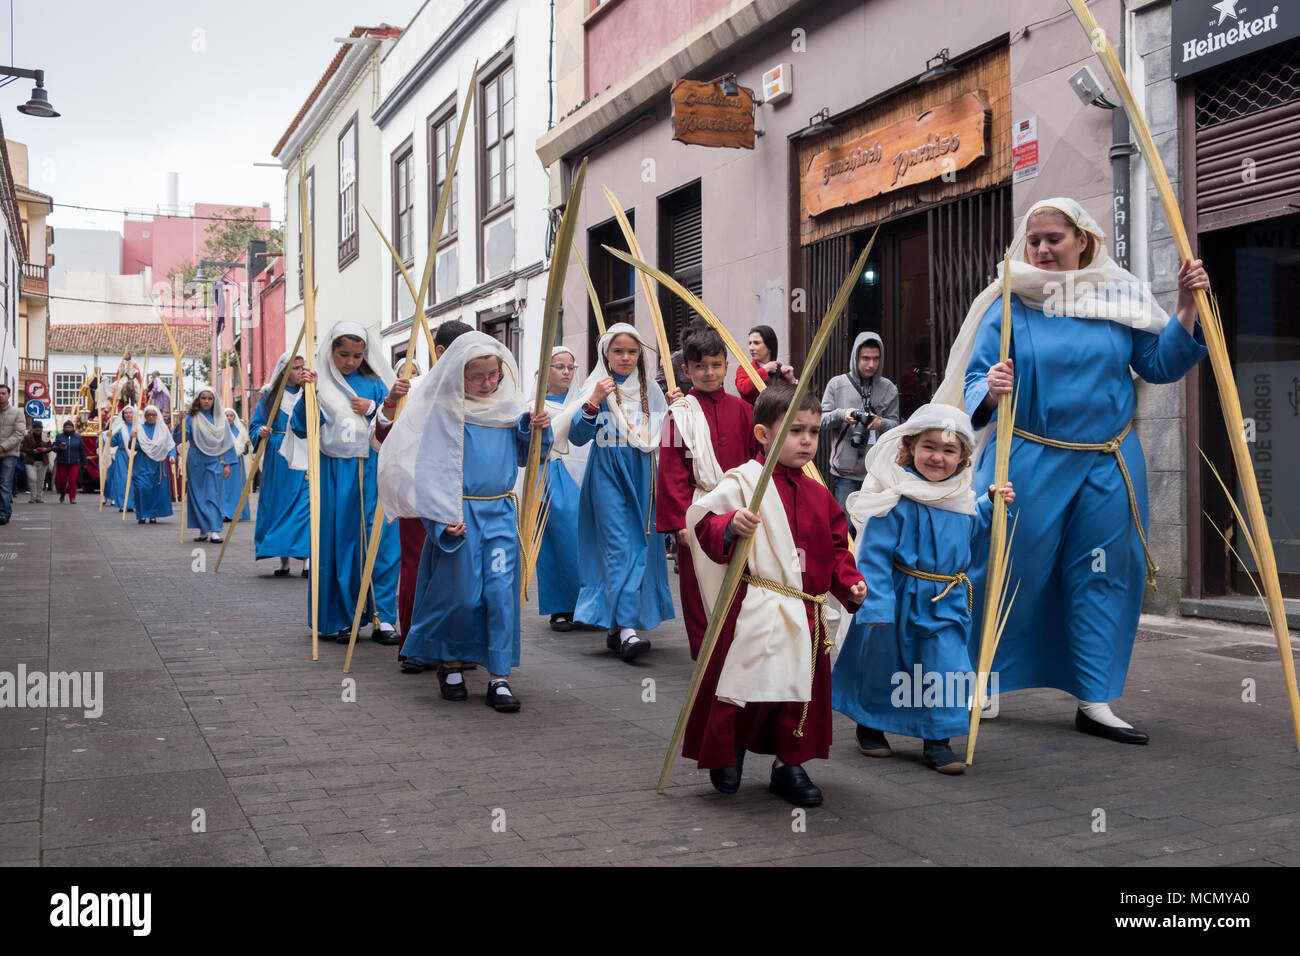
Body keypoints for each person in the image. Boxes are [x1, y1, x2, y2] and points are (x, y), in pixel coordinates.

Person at [935, 197, 1209, 745]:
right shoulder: (1009, 305)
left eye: (1053, 239)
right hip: (1028, 457)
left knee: (1105, 573)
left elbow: (1159, 365)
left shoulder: (1118, 296)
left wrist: (1184, 305)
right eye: (1033, 240)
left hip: (1109, 462)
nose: (1041, 249)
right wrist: (989, 390)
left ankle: (1095, 697)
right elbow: (972, 387)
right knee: (1008, 566)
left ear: (1083, 240)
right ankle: (981, 674)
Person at [683, 385, 866, 806]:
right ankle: (728, 749)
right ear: (764, 434)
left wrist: (850, 582)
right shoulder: (745, 482)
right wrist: (731, 525)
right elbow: (704, 526)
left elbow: (837, 550)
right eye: (796, 430)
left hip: (803, 611)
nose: (807, 441)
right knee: (743, 683)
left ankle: (790, 763)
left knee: (795, 692)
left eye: (815, 432)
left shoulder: (821, 495)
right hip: (757, 605)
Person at [832, 405, 1014, 774]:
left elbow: (971, 530)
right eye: (929, 446)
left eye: (949, 451)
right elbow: (875, 556)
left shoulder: (960, 497)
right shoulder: (895, 498)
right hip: (900, 597)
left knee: (946, 667)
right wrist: (878, 607)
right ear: (910, 447)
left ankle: (938, 739)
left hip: (945, 602)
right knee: (887, 665)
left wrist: (992, 505)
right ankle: (871, 723)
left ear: (963, 458)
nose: (937, 457)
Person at [378, 331, 550, 710]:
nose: (488, 383)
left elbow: (529, 458)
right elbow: (429, 471)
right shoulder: (444, 414)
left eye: (494, 375)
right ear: (459, 376)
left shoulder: (511, 410)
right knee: (459, 596)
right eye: (478, 376)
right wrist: (441, 520)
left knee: (500, 596)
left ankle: (499, 675)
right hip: (460, 517)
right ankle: (451, 664)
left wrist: (536, 429)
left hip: (501, 516)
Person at [567, 323, 675, 662]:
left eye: (632, 351)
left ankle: (616, 627)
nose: (626, 357)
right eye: (618, 351)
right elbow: (577, 437)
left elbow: (667, 439)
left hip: (644, 474)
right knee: (618, 547)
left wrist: (676, 411)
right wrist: (594, 401)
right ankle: (628, 629)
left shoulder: (651, 391)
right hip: (607, 475)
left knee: (641, 544)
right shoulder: (596, 387)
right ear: (605, 354)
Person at [291, 321, 401, 646]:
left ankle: (384, 617)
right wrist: (308, 394)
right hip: (336, 473)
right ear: (331, 351)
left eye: (357, 355)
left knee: (380, 543)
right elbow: (302, 427)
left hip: (374, 471)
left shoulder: (376, 384)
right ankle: (343, 616)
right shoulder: (321, 384)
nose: (350, 361)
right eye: (343, 354)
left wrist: (374, 408)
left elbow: (397, 424)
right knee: (342, 544)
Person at [373, 319, 472, 667]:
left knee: (464, 572)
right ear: (442, 352)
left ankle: (461, 644)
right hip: (420, 494)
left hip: (467, 494)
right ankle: (415, 644)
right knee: (417, 567)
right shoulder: (413, 389)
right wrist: (390, 404)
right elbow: (382, 439)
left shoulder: (480, 389)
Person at [656, 327, 759, 658]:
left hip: (740, 508)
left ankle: (740, 653)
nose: (709, 372)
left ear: (727, 366)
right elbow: (670, 471)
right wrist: (680, 523)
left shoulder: (745, 411)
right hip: (698, 511)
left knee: (745, 580)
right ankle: (706, 659)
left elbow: (758, 460)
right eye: (701, 366)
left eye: (716, 364)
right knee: (698, 586)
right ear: (686, 370)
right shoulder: (678, 416)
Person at [535, 346, 586, 632]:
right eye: (559, 367)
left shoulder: (583, 401)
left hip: (583, 474)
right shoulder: (534, 403)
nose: (566, 372)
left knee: (585, 540)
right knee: (557, 541)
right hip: (553, 473)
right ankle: (560, 607)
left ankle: (587, 603)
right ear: (545, 371)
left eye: (570, 367)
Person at [821, 331, 901, 511]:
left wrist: (882, 423)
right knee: (846, 526)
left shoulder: (889, 389)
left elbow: (897, 427)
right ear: (855, 356)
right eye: (865, 358)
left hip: (877, 471)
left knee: (872, 525)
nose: (871, 364)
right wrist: (842, 414)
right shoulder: (836, 384)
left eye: (876, 358)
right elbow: (820, 421)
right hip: (845, 472)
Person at [250, 353, 310, 577]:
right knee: (279, 505)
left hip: (304, 454)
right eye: (295, 368)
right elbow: (255, 425)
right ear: (284, 372)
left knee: (306, 506)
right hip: (279, 457)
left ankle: (306, 559)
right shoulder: (271, 397)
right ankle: (284, 561)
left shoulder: (310, 394)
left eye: (302, 367)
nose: (299, 372)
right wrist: (262, 431)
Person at [183, 388, 237, 544]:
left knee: (213, 494)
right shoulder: (191, 417)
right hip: (195, 459)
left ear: (214, 401)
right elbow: (181, 438)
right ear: (198, 399)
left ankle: (214, 530)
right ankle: (202, 530)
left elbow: (227, 442)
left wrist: (228, 464)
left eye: (209, 398)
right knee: (197, 495)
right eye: (203, 398)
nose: (206, 401)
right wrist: (180, 425)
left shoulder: (220, 419)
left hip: (214, 459)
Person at [128, 405, 176, 523]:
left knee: (154, 489)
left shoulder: (163, 429)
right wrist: (132, 438)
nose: (151, 417)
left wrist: (172, 456)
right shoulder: (139, 429)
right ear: (145, 416)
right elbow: (132, 447)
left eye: (153, 415)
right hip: (142, 463)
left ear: (157, 416)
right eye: (148, 415)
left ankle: (152, 514)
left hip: (157, 464)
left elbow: (170, 445)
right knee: (142, 488)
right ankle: (142, 514)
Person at [735, 324, 796, 404]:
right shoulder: (744, 368)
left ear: (769, 346)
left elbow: (799, 400)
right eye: (750, 343)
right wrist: (764, 370)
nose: (751, 348)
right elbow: (743, 389)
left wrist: (792, 380)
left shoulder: (780, 370)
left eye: (756, 343)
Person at [222, 409, 252, 522]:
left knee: (237, 490)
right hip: (224, 462)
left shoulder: (241, 431)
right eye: (227, 415)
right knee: (225, 489)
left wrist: (247, 446)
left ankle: (237, 513)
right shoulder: (220, 430)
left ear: (234, 417)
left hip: (238, 465)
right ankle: (225, 512)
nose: (229, 417)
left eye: (231, 415)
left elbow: (244, 451)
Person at [0, 384, 24, 524]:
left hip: (9, 453)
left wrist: (2, 448)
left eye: (3, 393)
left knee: (5, 484)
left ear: (9, 395)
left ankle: (3, 513)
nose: (1, 396)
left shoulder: (17, 413)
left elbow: (19, 434)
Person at [104, 407, 137, 511]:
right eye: (126, 413)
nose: (128, 414)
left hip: (135, 455)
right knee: (122, 480)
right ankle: (123, 504)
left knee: (133, 480)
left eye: (130, 412)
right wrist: (108, 437)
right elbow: (113, 442)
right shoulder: (119, 427)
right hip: (121, 455)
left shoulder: (138, 427)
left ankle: (132, 504)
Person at [53, 420, 88, 503]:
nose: (68, 429)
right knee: (62, 481)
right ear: (64, 428)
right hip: (62, 462)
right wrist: (60, 448)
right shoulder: (59, 436)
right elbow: (54, 447)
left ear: (73, 428)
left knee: (73, 480)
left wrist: (85, 462)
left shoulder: (78, 437)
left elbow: (82, 450)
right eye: (66, 427)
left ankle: (72, 497)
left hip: (75, 462)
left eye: (70, 427)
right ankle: (62, 493)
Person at [20, 422, 53, 504]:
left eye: (40, 429)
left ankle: (39, 497)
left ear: (42, 429)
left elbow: (50, 447)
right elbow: (23, 448)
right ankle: (32, 497)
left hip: (42, 461)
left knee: (41, 480)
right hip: (30, 461)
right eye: (36, 429)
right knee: (32, 478)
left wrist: (45, 449)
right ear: (33, 429)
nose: (38, 431)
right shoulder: (27, 437)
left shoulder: (46, 436)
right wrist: (32, 451)